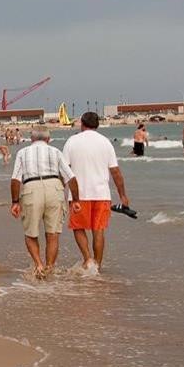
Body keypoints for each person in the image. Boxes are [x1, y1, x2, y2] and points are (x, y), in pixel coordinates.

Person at [62, 112, 130, 271]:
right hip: (101, 194)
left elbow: (65, 170)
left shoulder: (72, 141)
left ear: (82, 124)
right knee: (98, 230)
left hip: (79, 194)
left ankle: (87, 259)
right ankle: (97, 266)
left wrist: (61, 191)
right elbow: (115, 172)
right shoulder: (105, 142)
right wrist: (123, 196)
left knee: (78, 227)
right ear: (97, 125)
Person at [10, 127, 75, 278]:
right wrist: (76, 200)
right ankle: (50, 267)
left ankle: (39, 264)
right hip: (54, 187)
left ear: (31, 139)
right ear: (48, 139)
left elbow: (15, 179)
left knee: (31, 233)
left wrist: (15, 202)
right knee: (53, 234)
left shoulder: (22, 152)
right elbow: (70, 177)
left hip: (31, 188)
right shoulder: (56, 152)